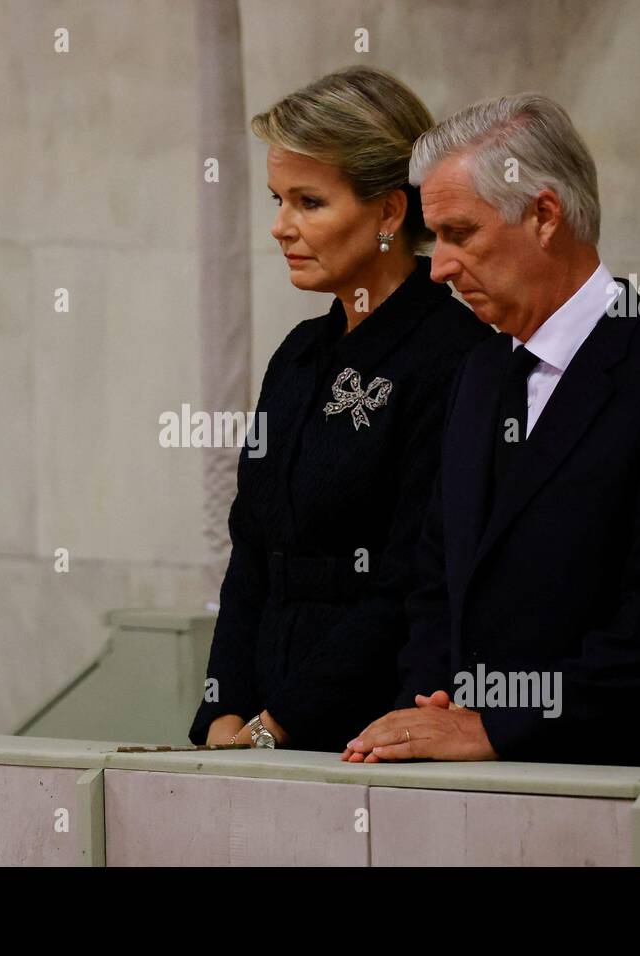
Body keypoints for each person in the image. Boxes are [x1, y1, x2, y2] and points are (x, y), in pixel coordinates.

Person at [344, 93, 640, 770]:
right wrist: (432, 712)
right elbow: (433, 585)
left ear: (542, 215)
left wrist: (498, 728)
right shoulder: (476, 375)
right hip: (474, 794)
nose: (439, 267)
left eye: (459, 233)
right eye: (434, 237)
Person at [188, 66, 492, 752]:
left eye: (308, 203)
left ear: (389, 213)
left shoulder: (456, 356)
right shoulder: (299, 354)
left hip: (379, 732)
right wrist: (223, 710)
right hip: (260, 720)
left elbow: (416, 575)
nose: (279, 227)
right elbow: (251, 556)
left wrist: (280, 724)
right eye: (277, 199)